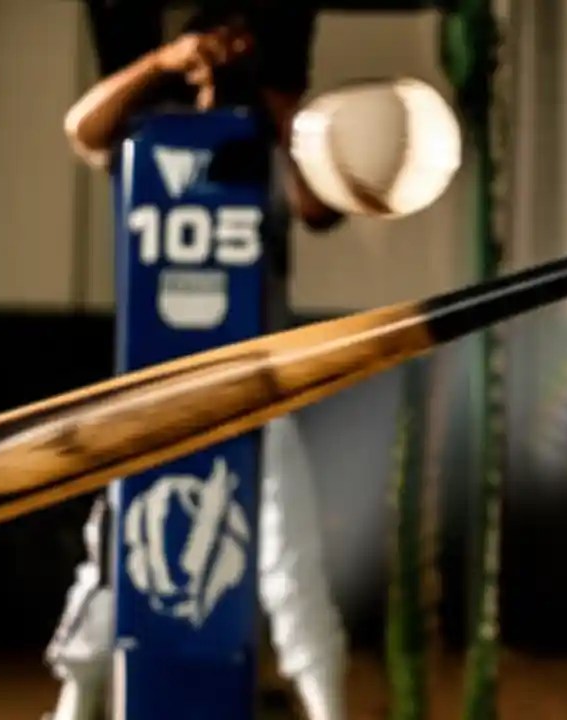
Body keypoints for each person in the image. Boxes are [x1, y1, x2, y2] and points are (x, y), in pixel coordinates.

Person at [44, 6, 349, 720]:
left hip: (256, 387)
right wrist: (165, 63)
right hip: (155, 384)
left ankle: (327, 704)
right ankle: (75, 699)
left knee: (290, 558)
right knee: (117, 552)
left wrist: (275, 105)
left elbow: (320, 207)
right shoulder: (153, 135)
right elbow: (81, 130)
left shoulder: (268, 141)